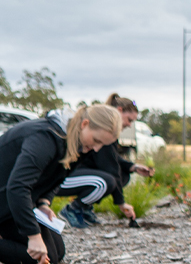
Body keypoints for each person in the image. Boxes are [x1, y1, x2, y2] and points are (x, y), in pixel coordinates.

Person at [0, 104, 123, 264]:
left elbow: (55, 177)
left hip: (15, 192)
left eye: (102, 145)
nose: (97, 148)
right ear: (85, 124)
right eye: (96, 140)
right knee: (42, 254)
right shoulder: (45, 137)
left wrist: (44, 202)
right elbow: (17, 186)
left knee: (57, 250)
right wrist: (33, 235)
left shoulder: (76, 143)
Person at [55, 93, 155, 228]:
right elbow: (110, 167)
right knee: (107, 181)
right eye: (129, 120)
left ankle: (85, 207)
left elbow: (112, 159)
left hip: (76, 174)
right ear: (119, 111)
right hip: (59, 179)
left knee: (123, 175)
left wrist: (133, 167)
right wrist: (121, 203)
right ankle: (74, 209)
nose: (129, 125)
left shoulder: (105, 132)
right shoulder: (102, 131)